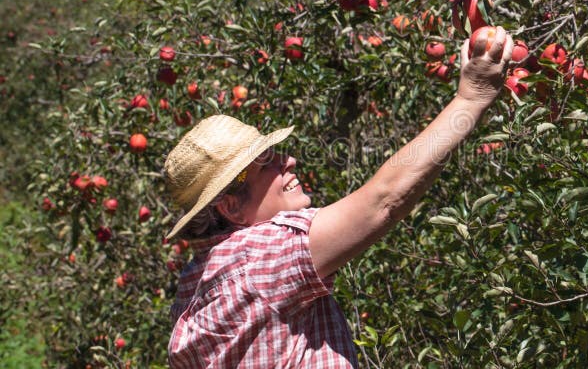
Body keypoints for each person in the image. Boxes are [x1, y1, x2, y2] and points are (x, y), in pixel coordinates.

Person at [164, 27, 515, 368]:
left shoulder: (194, 283)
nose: (289, 161)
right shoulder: (259, 257)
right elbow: (384, 201)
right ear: (231, 206)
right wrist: (472, 97)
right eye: (266, 164)